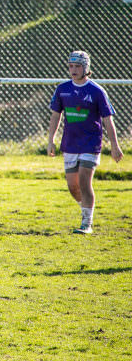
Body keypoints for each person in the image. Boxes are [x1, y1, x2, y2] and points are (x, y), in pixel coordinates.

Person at [47, 51, 123, 234]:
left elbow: (108, 120)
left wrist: (115, 146)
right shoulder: (62, 89)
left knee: (83, 181)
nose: (73, 70)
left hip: (91, 144)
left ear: (86, 68)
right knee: (73, 187)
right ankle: (87, 208)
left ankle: (86, 224)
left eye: (78, 66)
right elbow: (56, 116)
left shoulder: (97, 91)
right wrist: (50, 140)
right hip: (70, 144)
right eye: (71, 66)